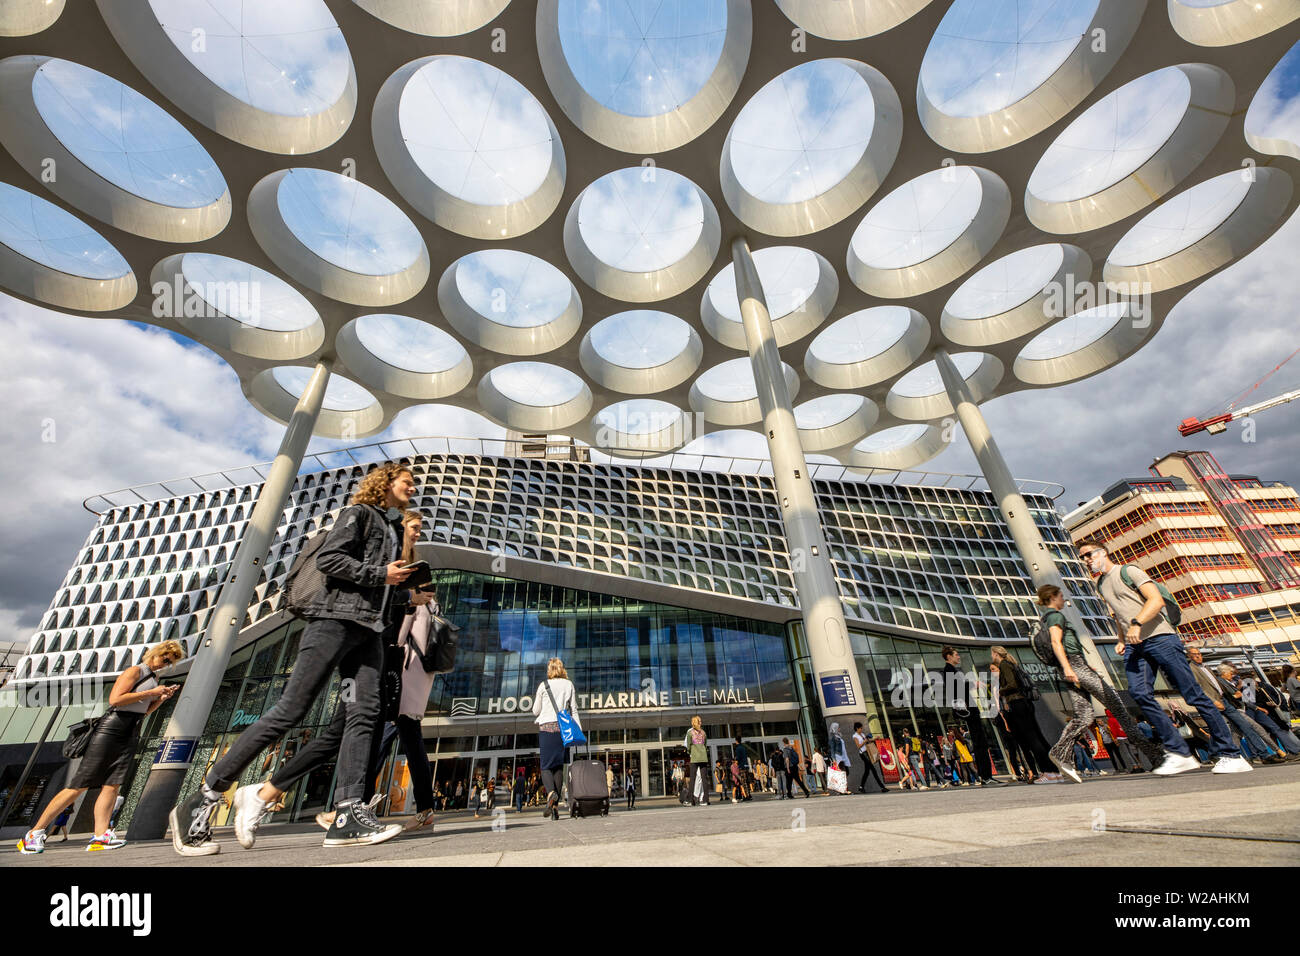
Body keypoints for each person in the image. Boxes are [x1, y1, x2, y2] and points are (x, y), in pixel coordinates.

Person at [172, 464, 417, 855]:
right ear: (386, 483)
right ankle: (205, 796)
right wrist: (379, 574)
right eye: (407, 481)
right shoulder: (358, 514)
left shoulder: (390, 527)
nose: (412, 487)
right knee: (291, 710)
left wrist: (400, 590)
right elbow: (331, 561)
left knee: (364, 714)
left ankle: (348, 812)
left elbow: (380, 585)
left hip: (367, 631)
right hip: (333, 622)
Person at [232, 509, 438, 845]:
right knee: (335, 730)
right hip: (370, 652)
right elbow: (362, 593)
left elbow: (393, 610)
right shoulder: (376, 554)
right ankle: (268, 792)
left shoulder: (404, 566)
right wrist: (407, 598)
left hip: (381, 657)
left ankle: (347, 808)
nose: (417, 533)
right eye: (413, 527)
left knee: (365, 730)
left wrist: (412, 598)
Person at [1075, 539, 1249, 774]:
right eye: (1082, 557)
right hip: (1136, 645)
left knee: (1193, 694)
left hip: (1160, 638)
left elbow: (1155, 600)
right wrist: (1121, 638)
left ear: (1103, 552)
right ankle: (1179, 752)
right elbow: (1117, 613)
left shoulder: (1129, 571)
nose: (1086, 560)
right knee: (1139, 693)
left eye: (1089, 554)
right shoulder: (1101, 584)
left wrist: (1137, 623)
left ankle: (1232, 754)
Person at [17, 640, 185, 855]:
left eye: (170, 662)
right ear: (155, 654)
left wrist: (160, 698)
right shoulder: (135, 671)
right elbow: (116, 699)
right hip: (111, 729)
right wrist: (148, 693)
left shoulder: (154, 678)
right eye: (165, 659)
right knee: (80, 783)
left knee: (112, 784)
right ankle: (34, 833)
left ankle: (100, 835)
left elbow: (143, 711)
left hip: (131, 728)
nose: (166, 664)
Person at [1035, 584, 1165, 783]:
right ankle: (1156, 757)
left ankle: (1060, 752)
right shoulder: (1055, 616)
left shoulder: (1046, 618)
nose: (1063, 599)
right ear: (1052, 597)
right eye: (1060, 595)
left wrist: (1070, 669)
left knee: (1084, 716)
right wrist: (1070, 668)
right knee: (1119, 709)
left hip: (1073, 667)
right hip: (1074, 665)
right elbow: (1056, 642)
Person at [1187, 648, 1286, 765]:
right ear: (1189, 656)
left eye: (1199, 654)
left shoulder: (1206, 667)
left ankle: (1264, 755)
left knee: (1246, 727)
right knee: (1218, 730)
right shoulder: (1191, 669)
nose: (1198, 656)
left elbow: (1216, 685)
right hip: (1212, 703)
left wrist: (1228, 697)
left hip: (1225, 700)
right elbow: (1198, 687)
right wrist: (1213, 701)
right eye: (1195, 654)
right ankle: (1216, 754)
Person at [989, 646, 1059, 783]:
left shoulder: (1004, 665)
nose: (991, 656)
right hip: (1025, 703)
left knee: (1032, 739)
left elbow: (1012, 685)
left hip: (1017, 703)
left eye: (992, 654)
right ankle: (1055, 772)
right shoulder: (1012, 664)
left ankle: (1048, 773)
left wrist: (1000, 691)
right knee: (1038, 737)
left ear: (996, 654)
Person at [941, 646, 1004, 786]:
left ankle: (985, 776)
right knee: (979, 741)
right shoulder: (949, 670)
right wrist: (972, 684)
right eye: (956, 655)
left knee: (980, 741)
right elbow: (955, 689)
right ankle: (986, 776)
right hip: (969, 709)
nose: (958, 657)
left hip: (969, 708)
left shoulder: (952, 670)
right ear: (949, 656)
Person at [532, 657, 581, 820]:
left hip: (546, 727)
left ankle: (551, 793)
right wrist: (579, 731)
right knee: (558, 767)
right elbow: (574, 710)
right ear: (562, 669)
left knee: (546, 766)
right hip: (563, 729)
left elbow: (535, 710)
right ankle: (555, 808)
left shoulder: (543, 685)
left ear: (549, 670)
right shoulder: (569, 685)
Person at [852, 721, 886, 793]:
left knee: (867, 771)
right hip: (863, 754)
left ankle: (861, 787)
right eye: (860, 728)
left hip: (867, 752)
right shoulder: (855, 736)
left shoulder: (862, 734)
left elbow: (868, 740)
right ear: (857, 728)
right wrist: (864, 741)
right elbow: (858, 746)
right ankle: (882, 787)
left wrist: (875, 739)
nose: (861, 729)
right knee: (873, 770)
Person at [685, 717, 710, 806]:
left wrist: (690, 752)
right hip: (703, 758)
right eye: (700, 721)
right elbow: (705, 745)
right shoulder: (704, 733)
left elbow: (688, 746)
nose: (701, 722)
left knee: (693, 779)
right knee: (704, 779)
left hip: (695, 758)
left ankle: (690, 800)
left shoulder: (690, 733)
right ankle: (706, 800)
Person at [733, 736, 753, 801]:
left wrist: (736, 760)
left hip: (742, 766)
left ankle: (746, 796)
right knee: (747, 781)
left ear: (736, 741)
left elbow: (738, 757)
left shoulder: (738, 748)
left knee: (743, 781)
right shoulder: (744, 747)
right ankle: (749, 794)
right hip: (746, 765)